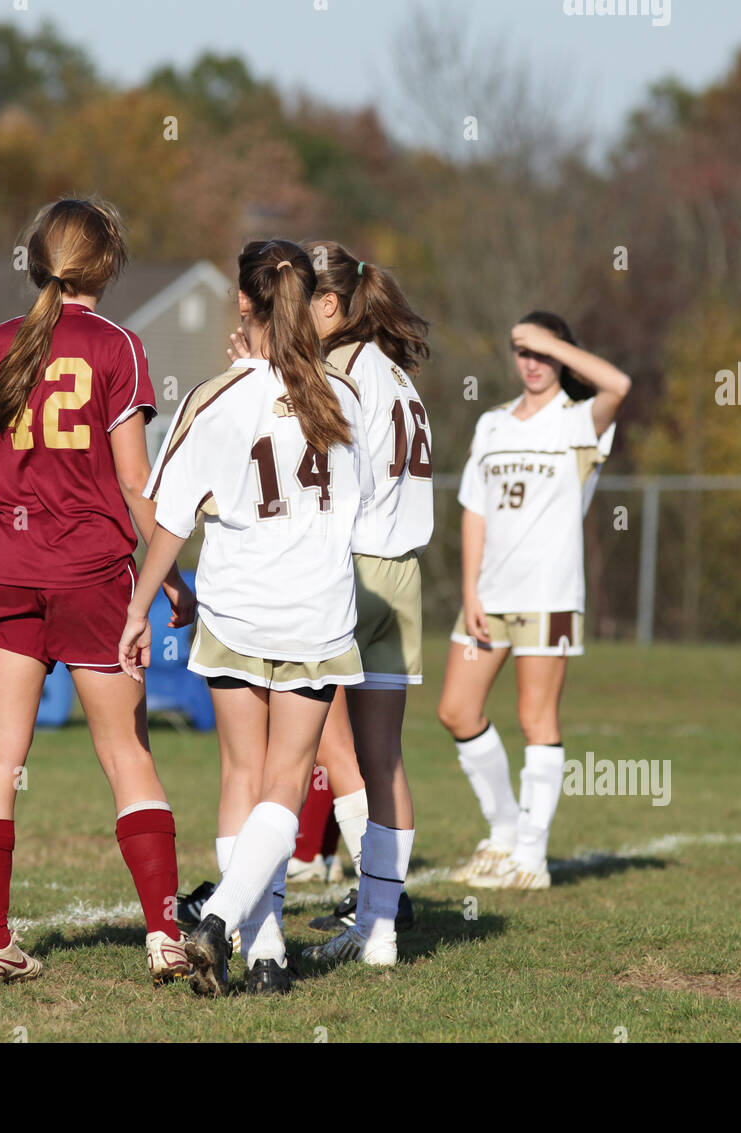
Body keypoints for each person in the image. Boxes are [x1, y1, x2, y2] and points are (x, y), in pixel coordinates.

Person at [119, 238, 373, 996]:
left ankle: (246, 938)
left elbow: (171, 521)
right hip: (317, 611)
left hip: (235, 609)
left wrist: (140, 607)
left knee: (240, 774)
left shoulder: (216, 396)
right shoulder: (345, 397)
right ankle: (249, 944)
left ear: (244, 304)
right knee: (286, 782)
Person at [0, 196, 195, 987]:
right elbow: (134, 480)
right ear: (108, 263)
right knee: (127, 753)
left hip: (9, 567)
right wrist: (173, 574)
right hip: (92, 571)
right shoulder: (116, 344)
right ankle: (165, 934)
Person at [437, 312, 630, 890]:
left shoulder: (578, 421)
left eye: (543, 352)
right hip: (488, 593)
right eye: (523, 350)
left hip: (548, 592)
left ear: (563, 355)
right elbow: (474, 509)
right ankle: (503, 832)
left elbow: (619, 385)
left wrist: (555, 344)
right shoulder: (492, 423)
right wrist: (469, 588)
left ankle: (532, 858)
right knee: (456, 710)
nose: (533, 362)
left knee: (534, 717)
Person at [292, 241, 432, 967]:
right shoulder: (397, 373)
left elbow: (317, 473)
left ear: (329, 305)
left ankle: (254, 909)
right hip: (403, 575)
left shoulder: (338, 371)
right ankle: (379, 927)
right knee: (384, 759)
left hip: (351, 571)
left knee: (303, 739)